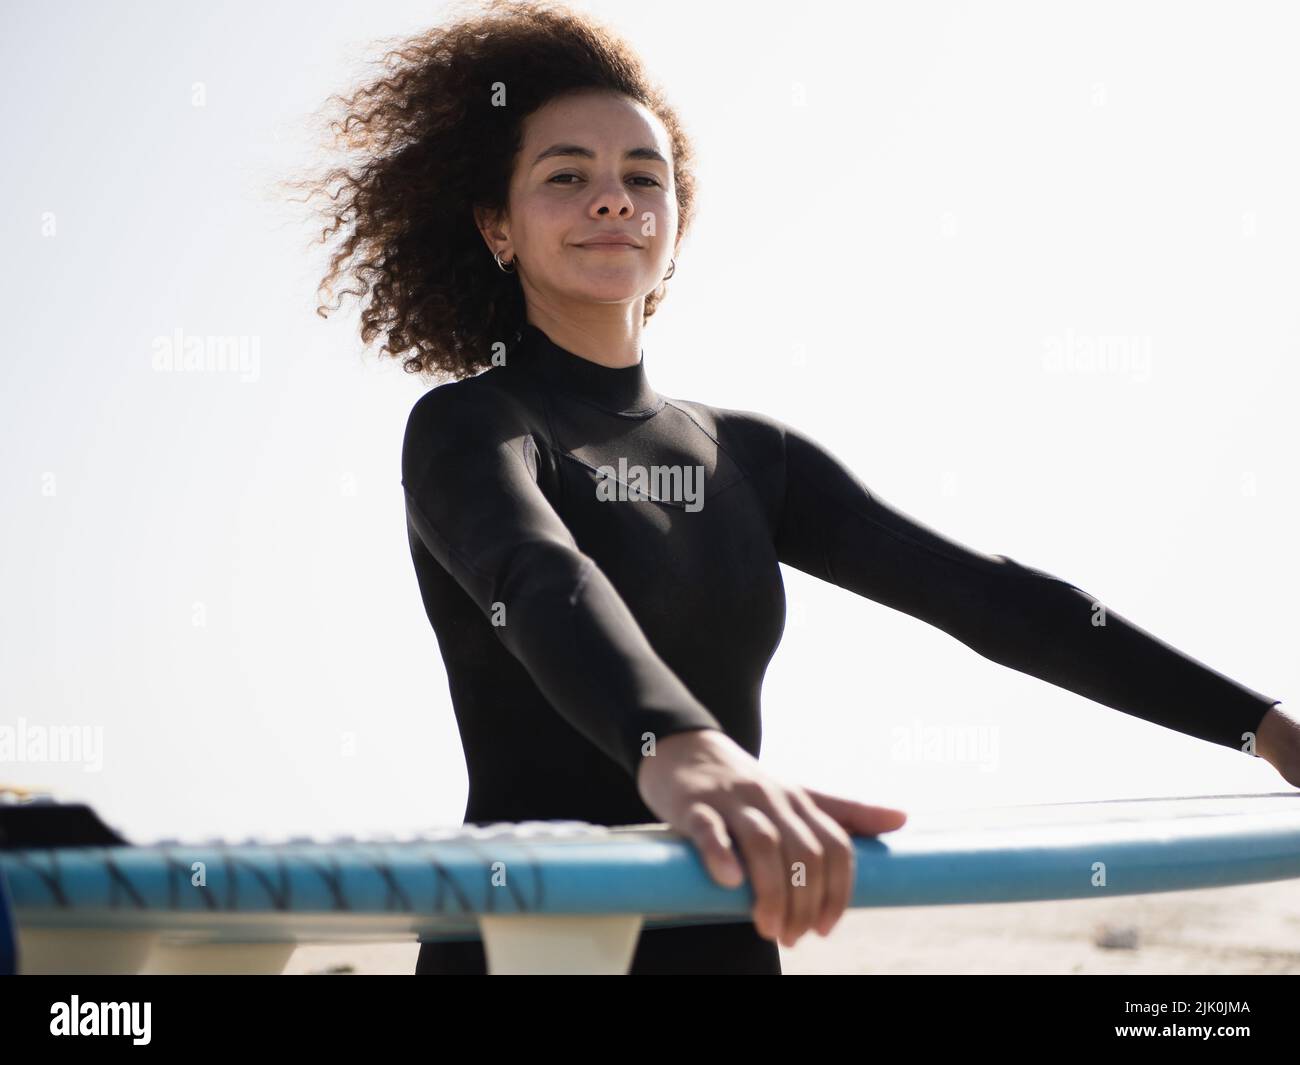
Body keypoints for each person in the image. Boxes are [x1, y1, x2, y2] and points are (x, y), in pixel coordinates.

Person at [295, 0, 1298, 974]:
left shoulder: (749, 457)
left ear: (675, 223)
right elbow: (541, 572)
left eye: (644, 177)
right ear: (497, 226)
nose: (613, 198)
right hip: (530, 940)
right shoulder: (470, 428)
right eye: (567, 175)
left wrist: (1263, 728)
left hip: (726, 926)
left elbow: (991, 600)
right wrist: (681, 747)